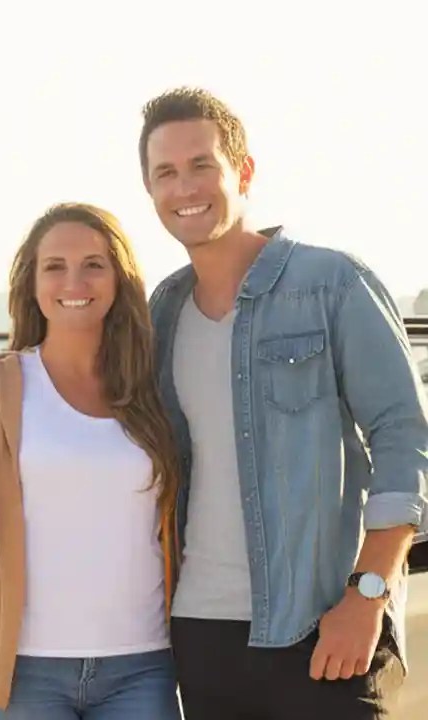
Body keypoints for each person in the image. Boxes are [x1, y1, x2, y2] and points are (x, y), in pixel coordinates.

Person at [138, 87, 428, 719]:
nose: (185, 187)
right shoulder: (162, 310)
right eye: (166, 172)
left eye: (201, 165)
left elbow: (405, 439)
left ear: (243, 172)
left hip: (326, 628)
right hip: (201, 635)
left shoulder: (332, 284)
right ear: (150, 189)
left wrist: (368, 595)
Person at [0, 202, 183, 719]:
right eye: (55, 266)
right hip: (23, 675)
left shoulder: (155, 385)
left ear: (119, 279)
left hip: (144, 667)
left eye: (93, 265)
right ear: (31, 283)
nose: (74, 281)